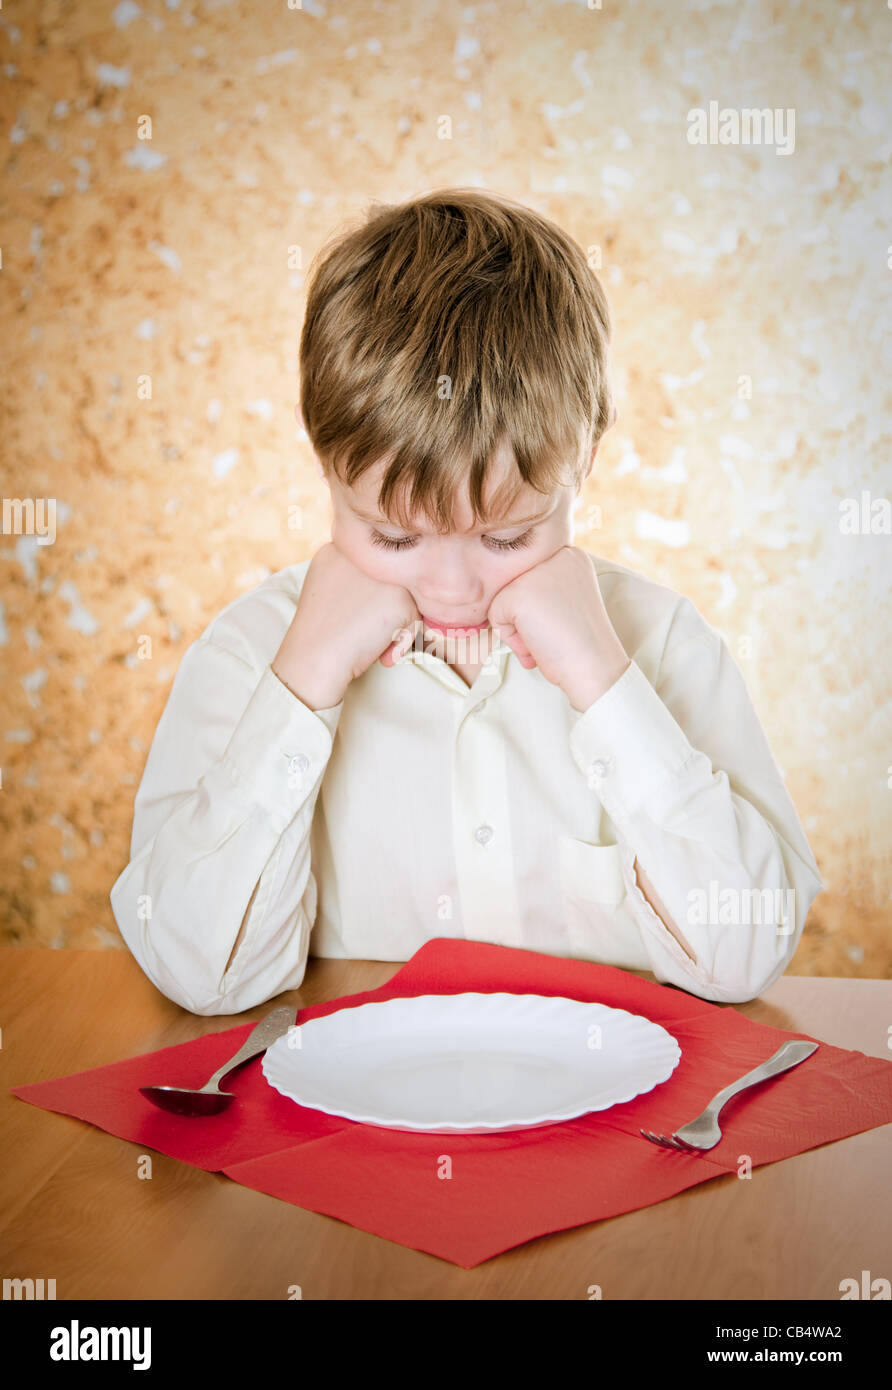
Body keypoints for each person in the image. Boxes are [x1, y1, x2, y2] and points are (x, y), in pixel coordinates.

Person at [110, 188, 822, 1015]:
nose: (452, 591)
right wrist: (299, 686)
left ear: (584, 456)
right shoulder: (250, 655)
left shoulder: (659, 645)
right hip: (355, 1125)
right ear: (324, 462)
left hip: (603, 1122)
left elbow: (746, 956)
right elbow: (199, 976)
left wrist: (607, 685)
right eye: (394, 538)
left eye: (507, 538)